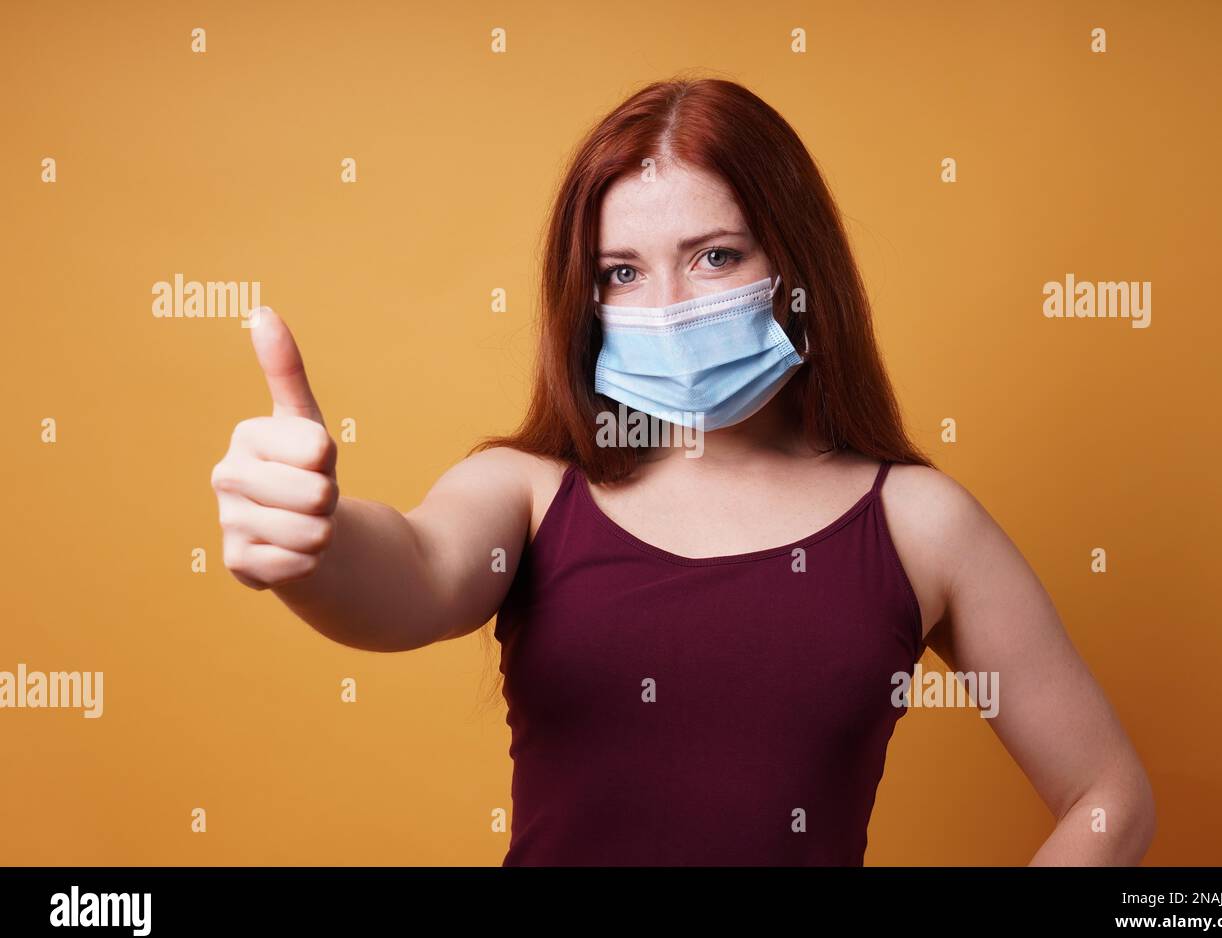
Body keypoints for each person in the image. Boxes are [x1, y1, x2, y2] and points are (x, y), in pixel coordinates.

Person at [209, 76, 1155, 866]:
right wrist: (317, 544)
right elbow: (411, 574)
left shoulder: (918, 523)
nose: (664, 306)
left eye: (712, 256)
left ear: (796, 268)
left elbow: (1108, 794)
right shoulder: (531, 493)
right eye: (621, 272)